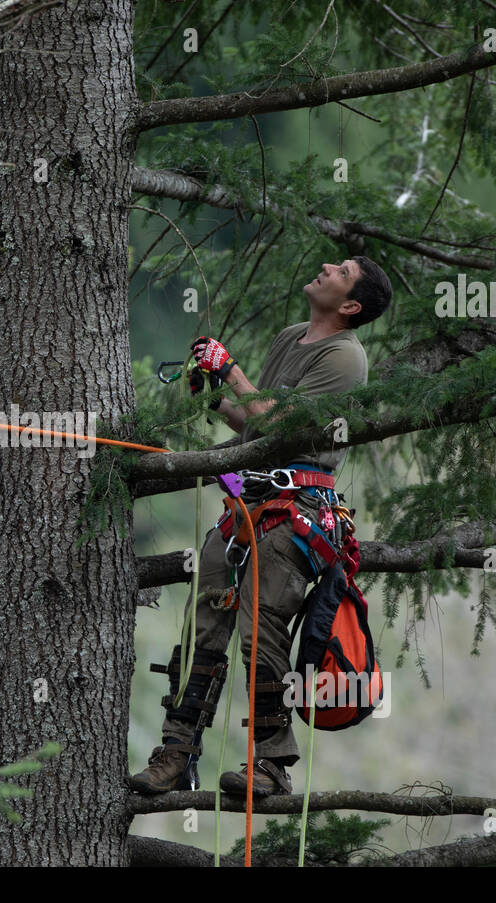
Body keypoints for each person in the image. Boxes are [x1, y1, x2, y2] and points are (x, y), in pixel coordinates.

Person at [129, 255, 393, 796]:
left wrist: (231, 371)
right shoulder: (290, 336)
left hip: (299, 507)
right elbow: (254, 421)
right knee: (201, 623)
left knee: (260, 629)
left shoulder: (346, 358)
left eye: (340, 271)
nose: (323, 265)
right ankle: (176, 751)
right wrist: (216, 396)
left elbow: (284, 425)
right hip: (247, 504)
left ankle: (272, 764)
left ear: (349, 305)